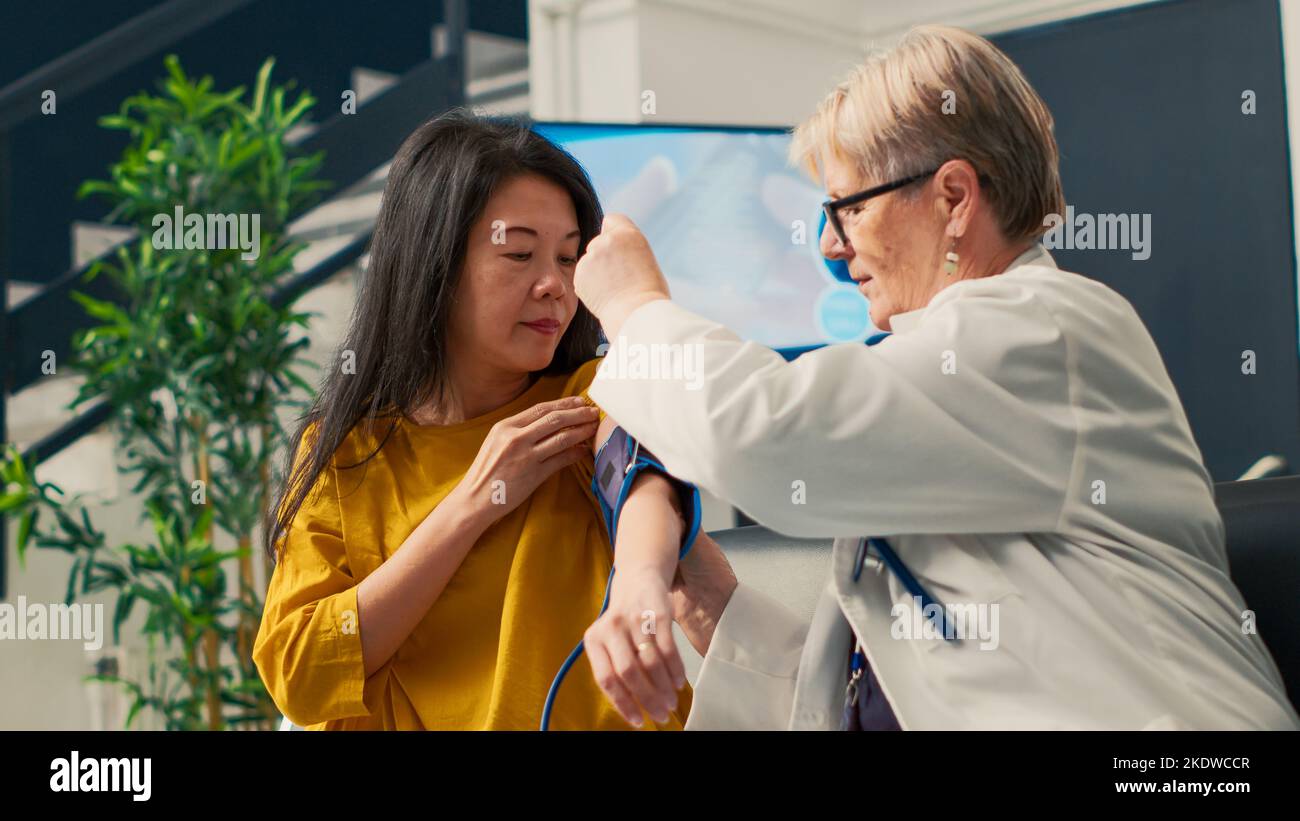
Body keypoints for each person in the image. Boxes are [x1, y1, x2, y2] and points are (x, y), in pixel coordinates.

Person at [572, 25, 1300, 730]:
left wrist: (634, 307)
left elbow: (763, 431)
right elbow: (885, 693)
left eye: (847, 209)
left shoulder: (1044, 327)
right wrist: (710, 602)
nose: (830, 243)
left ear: (953, 198)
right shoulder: (948, 379)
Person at [253, 111, 692, 730]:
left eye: (569, 259)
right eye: (518, 254)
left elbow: (647, 479)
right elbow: (301, 676)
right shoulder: (347, 451)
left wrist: (643, 580)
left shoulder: (590, 397)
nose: (554, 287)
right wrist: (474, 502)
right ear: (433, 265)